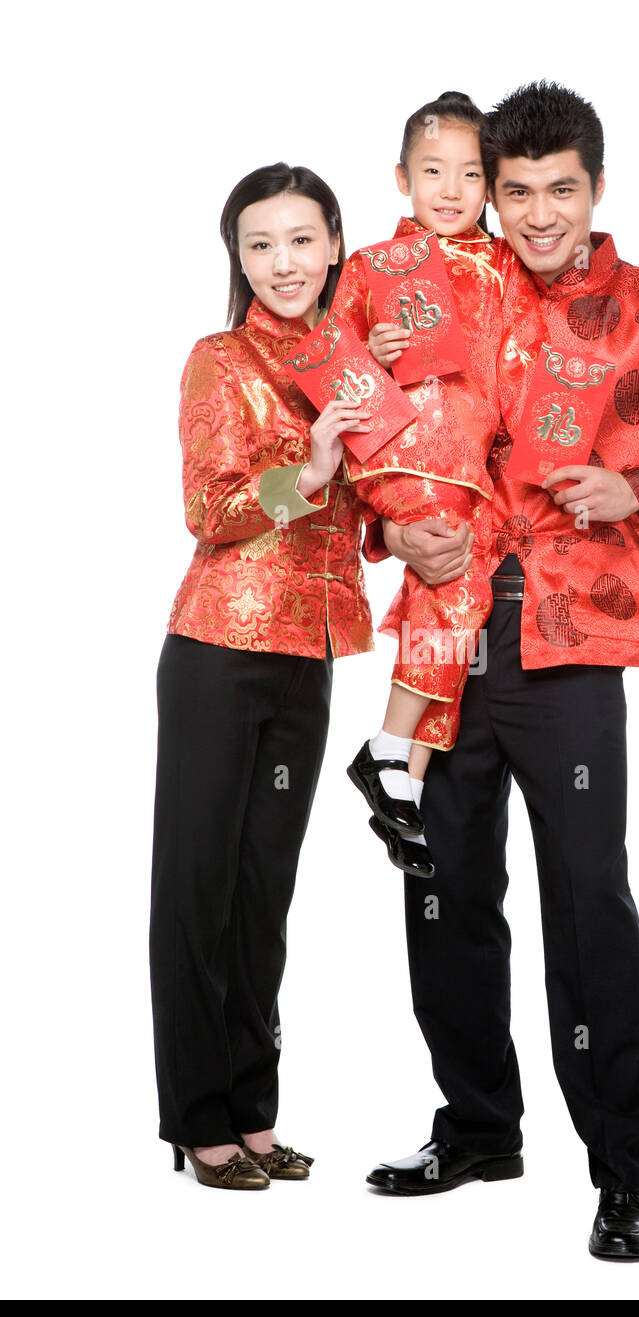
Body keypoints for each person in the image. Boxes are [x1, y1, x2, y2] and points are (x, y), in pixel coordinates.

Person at [361, 81, 639, 1261]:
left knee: (587, 904)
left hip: (571, 644)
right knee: (441, 887)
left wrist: (633, 489)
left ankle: (624, 1169)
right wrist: (391, 530)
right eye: (512, 189)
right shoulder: (451, 292)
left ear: (595, 186)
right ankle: (479, 1124)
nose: (533, 214)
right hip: (444, 634)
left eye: (556, 190)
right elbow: (387, 436)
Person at [149, 162, 375, 1190]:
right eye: (259, 245)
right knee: (196, 890)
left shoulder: (358, 367)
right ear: (238, 259)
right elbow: (208, 508)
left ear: (334, 243)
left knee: (261, 895)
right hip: (219, 652)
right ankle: (199, 1122)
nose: (282, 263)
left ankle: (253, 1113)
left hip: (309, 654)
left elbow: (365, 527)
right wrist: (311, 473)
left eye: (300, 240)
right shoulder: (219, 359)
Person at [332, 92, 508, 878]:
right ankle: (392, 756)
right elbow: (325, 361)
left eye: (470, 174)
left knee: (459, 592)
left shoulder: (506, 266)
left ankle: (400, 769)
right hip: (400, 456)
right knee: (455, 574)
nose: (450, 188)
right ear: (403, 176)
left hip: (473, 474)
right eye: (433, 170)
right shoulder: (372, 266)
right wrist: (370, 346)